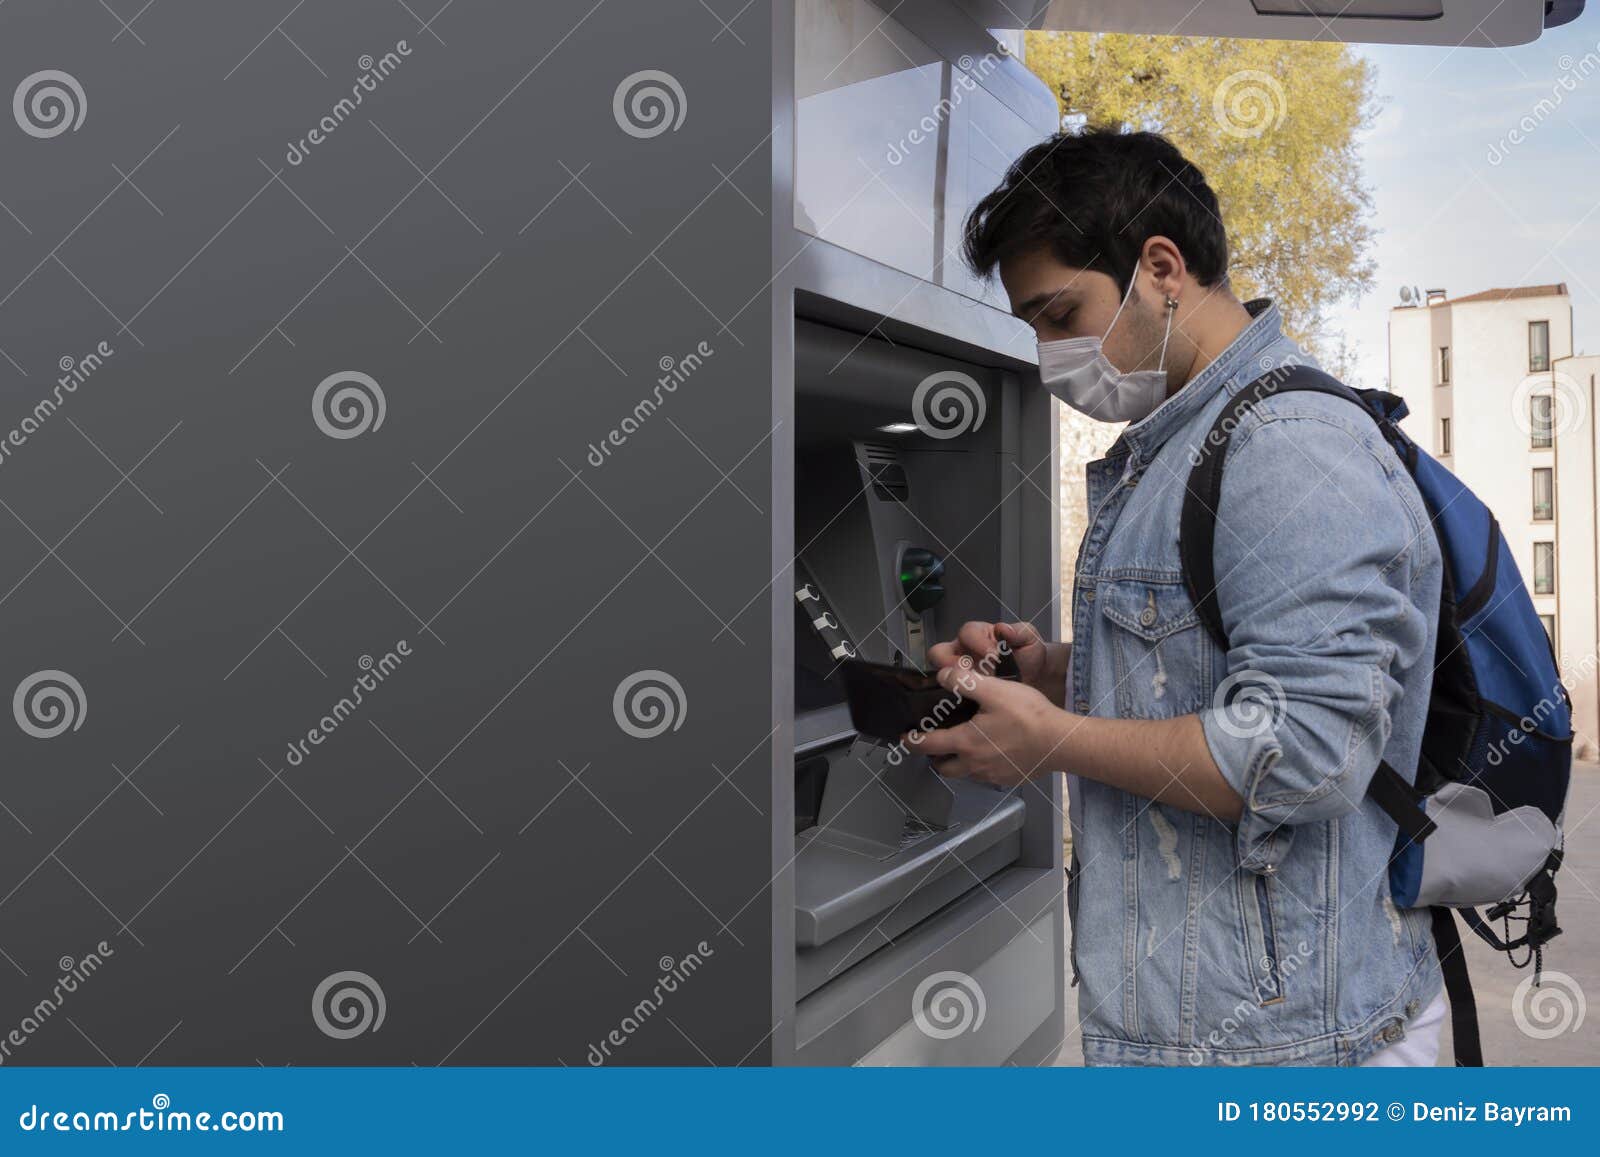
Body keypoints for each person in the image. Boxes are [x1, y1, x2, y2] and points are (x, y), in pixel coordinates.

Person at [908, 128, 1445, 1066]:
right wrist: (1057, 673)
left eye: (1060, 313)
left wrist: (1051, 741)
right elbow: (1211, 669)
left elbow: (1306, 754)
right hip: (1229, 1033)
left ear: (1160, 268)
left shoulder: (1286, 445)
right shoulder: (1187, 443)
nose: (1048, 355)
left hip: (1298, 1054)